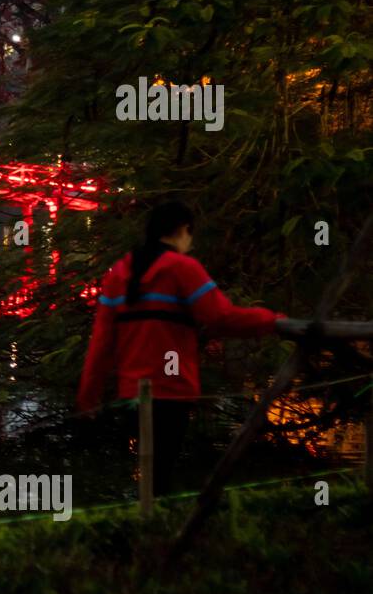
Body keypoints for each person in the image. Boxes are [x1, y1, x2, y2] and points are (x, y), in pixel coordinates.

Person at [77, 201, 284, 494]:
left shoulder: (119, 274)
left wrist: (88, 396)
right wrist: (272, 321)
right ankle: (161, 530)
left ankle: (142, 526)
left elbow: (101, 343)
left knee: (146, 472)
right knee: (162, 472)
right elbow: (221, 317)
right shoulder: (182, 268)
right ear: (183, 230)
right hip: (171, 389)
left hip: (131, 392)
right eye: (190, 234)